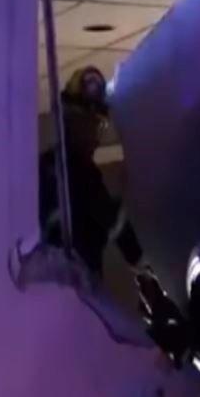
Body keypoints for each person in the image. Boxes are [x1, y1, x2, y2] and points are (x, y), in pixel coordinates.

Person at [38, 66, 144, 278]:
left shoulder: (44, 167)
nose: (95, 136)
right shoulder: (81, 174)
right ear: (70, 121)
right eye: (92, 125)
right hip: (72, 296)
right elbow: (111, 220)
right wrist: (142, 265)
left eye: (100, 127)